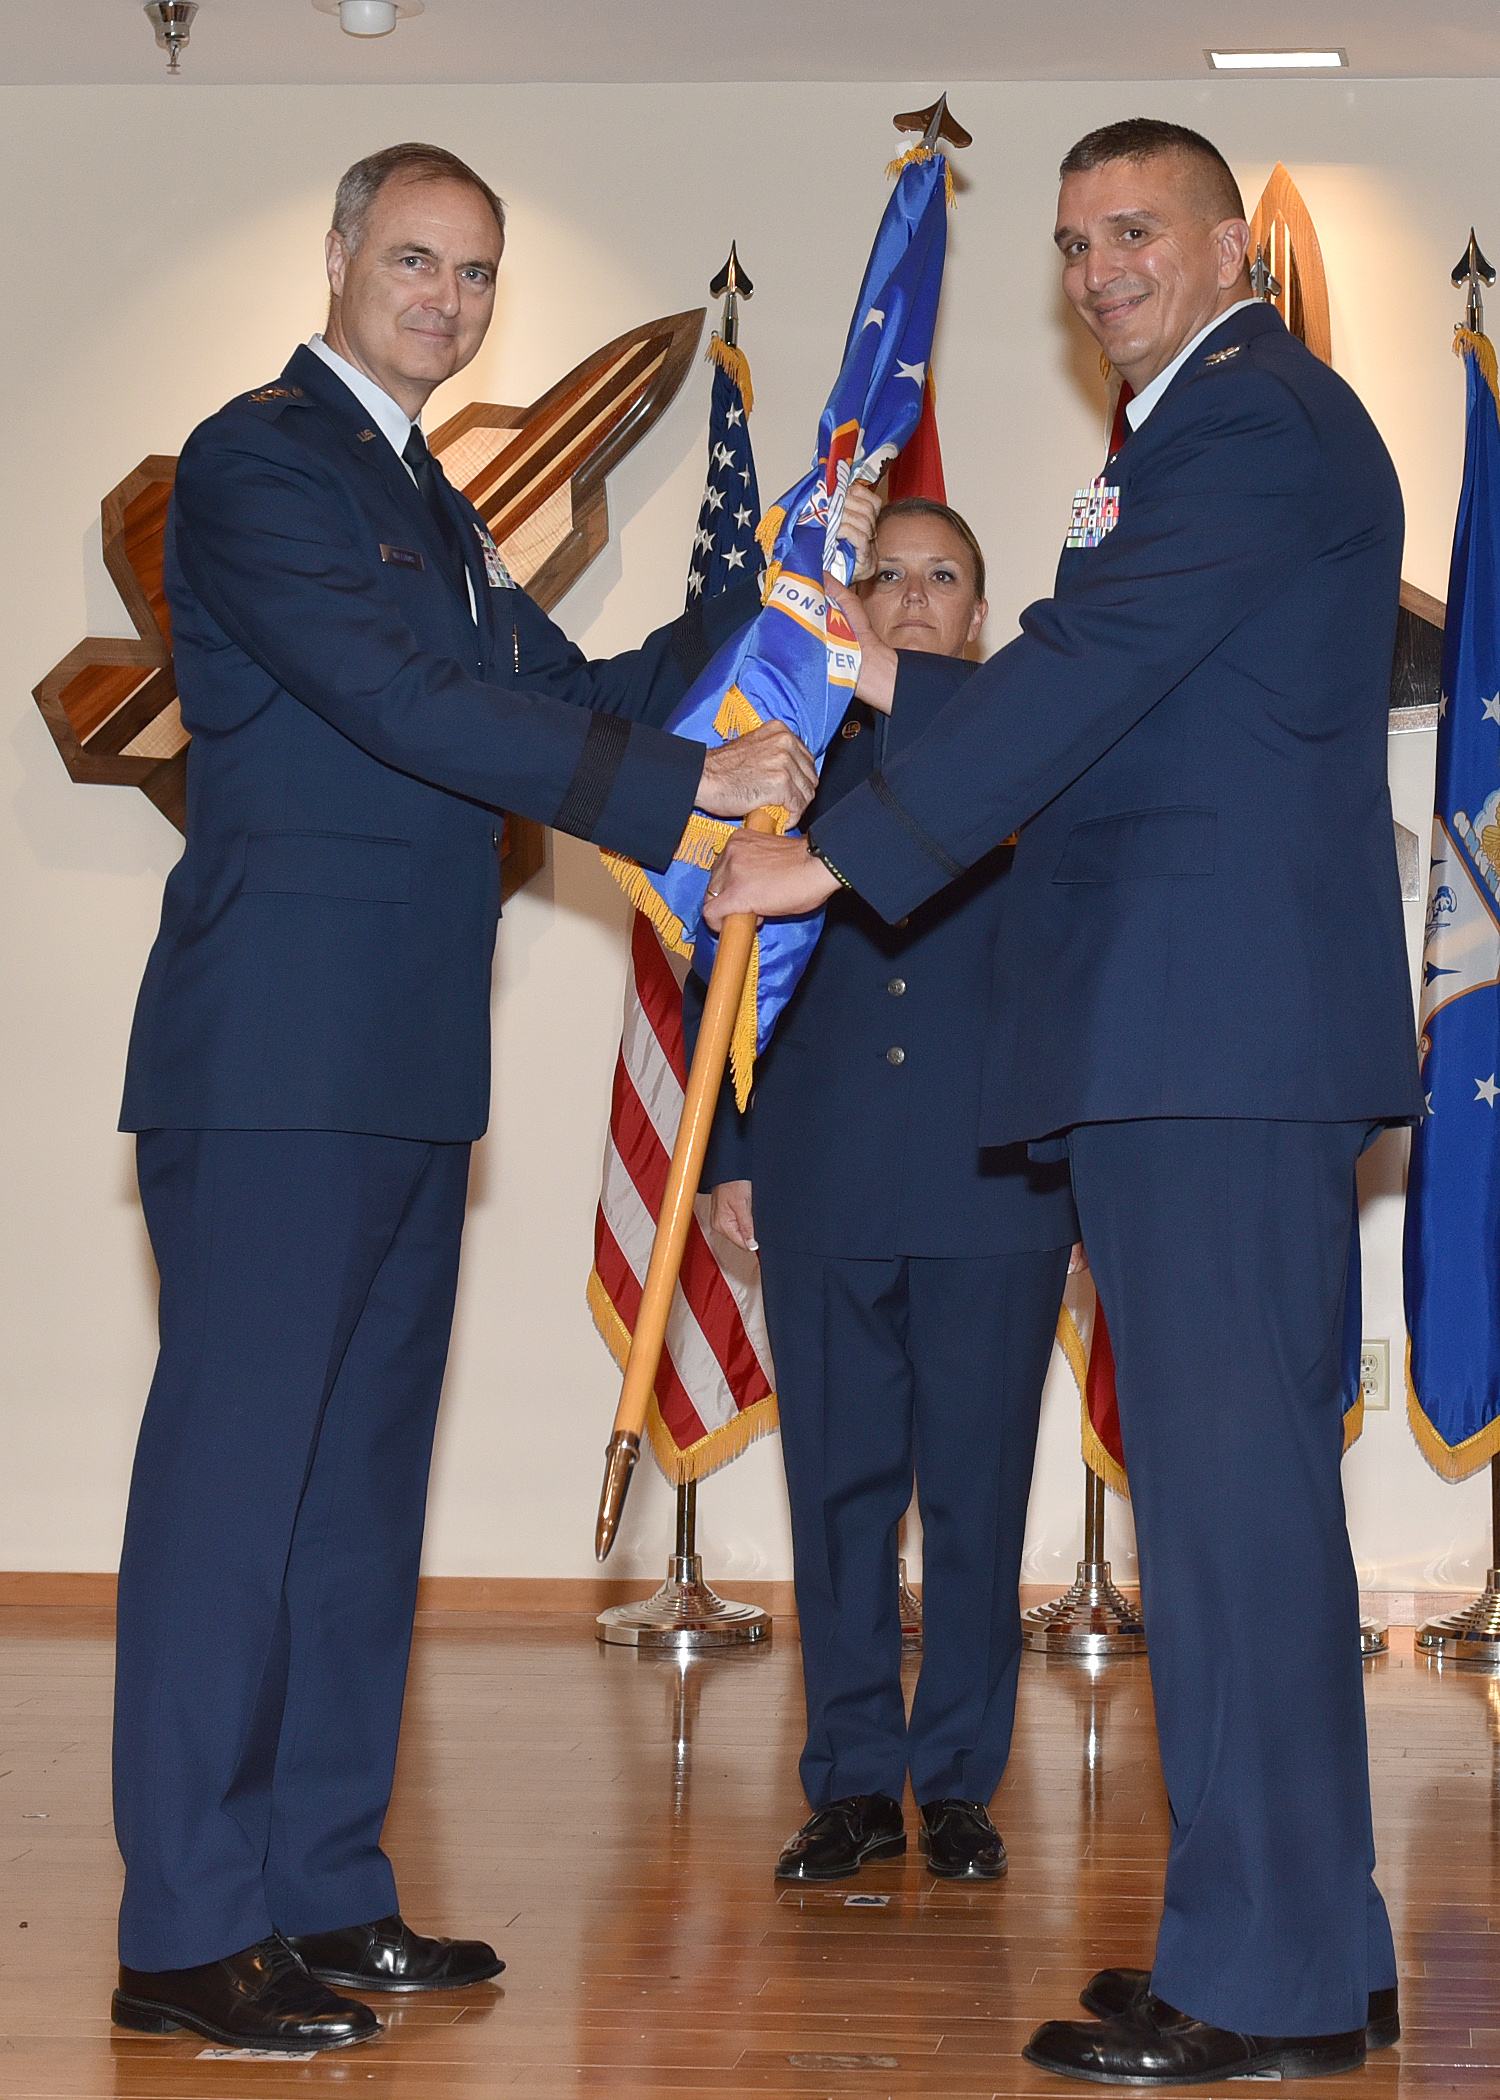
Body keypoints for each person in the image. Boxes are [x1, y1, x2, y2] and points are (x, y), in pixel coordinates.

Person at [704, 119, 1420, 2086]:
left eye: (1138, 231)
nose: (1103, 267)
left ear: (1228, 250)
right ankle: (1310, 1940)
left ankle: (1264, 1982)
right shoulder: (1193, 434)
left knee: (1231, 1517)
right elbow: (1110, 690)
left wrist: (840, 847)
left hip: (1209, 1040)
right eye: (1076, 240)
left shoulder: (1254, 419)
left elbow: (1089, 666)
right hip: (1189, 1036)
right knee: (1240, 1509)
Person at [109, 142, 815, 2054]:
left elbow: (563, 685)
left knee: (350, 1506)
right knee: (235, 1492)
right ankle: (181, 1928)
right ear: (337, 256)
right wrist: (685, 800)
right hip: (271, 1059)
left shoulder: (417, 492)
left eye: (475, 275)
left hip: (405, 1060)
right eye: (414, 261)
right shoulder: (256, 462)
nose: (445, 298)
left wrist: (757, 621)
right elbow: (411, 710)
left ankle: (325, 1891)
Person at [693, 500, 1076, 1886]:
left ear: (981, 616)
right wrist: (732, 1146)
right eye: (884, 576)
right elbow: (717, 937)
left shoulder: (1033, 751)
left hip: (996, 1179)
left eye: (943, 579)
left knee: (976, 1497)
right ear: (845, 603)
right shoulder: (781, 760)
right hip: (824, 1167)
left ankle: (960, 1783)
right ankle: (853, 1781)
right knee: (839, 1494)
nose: (911, 598)